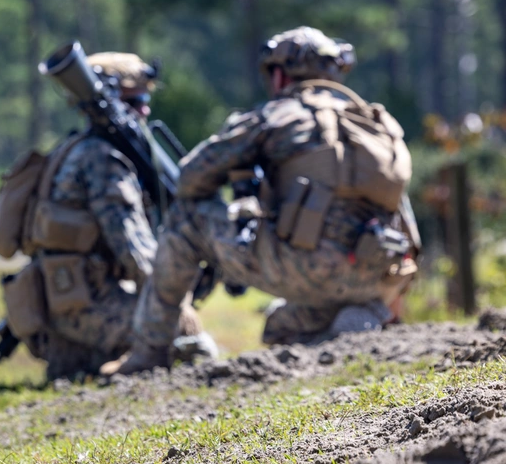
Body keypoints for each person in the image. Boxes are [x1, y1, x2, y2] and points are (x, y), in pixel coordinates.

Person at [102, 27, 418, 375]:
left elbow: (191, 179)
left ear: (279, 75)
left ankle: (149, 352)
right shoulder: (375, 124)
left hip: (305, 269)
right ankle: (363, 315)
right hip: (378, 275)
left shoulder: (276, 115)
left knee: (187, 218)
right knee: (279, 327)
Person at [0, 52, 205, 380]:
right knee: (190, 337)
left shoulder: (72, 148)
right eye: (137, 101)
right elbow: (138, 255)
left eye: (146, 100)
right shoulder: (103, 161)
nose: (145, 110)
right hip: (88, 309)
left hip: (60, 307)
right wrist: (181, 307)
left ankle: (86, 360)